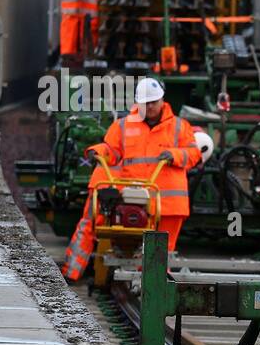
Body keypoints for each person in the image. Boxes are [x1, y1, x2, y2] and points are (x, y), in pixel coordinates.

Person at [61, 78, 198, 280]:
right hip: (135, 197)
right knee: (100, 229)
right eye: (145, 103)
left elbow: (193, 154)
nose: (150, 107)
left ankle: (155, 282)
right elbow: (111, 150)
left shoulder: (180, 127)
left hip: (168, 203)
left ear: (162, 100)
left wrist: (175, 155)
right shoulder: (123, 126)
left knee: (163, 247)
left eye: (153, 102)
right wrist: (96, 152)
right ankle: (70, 274)